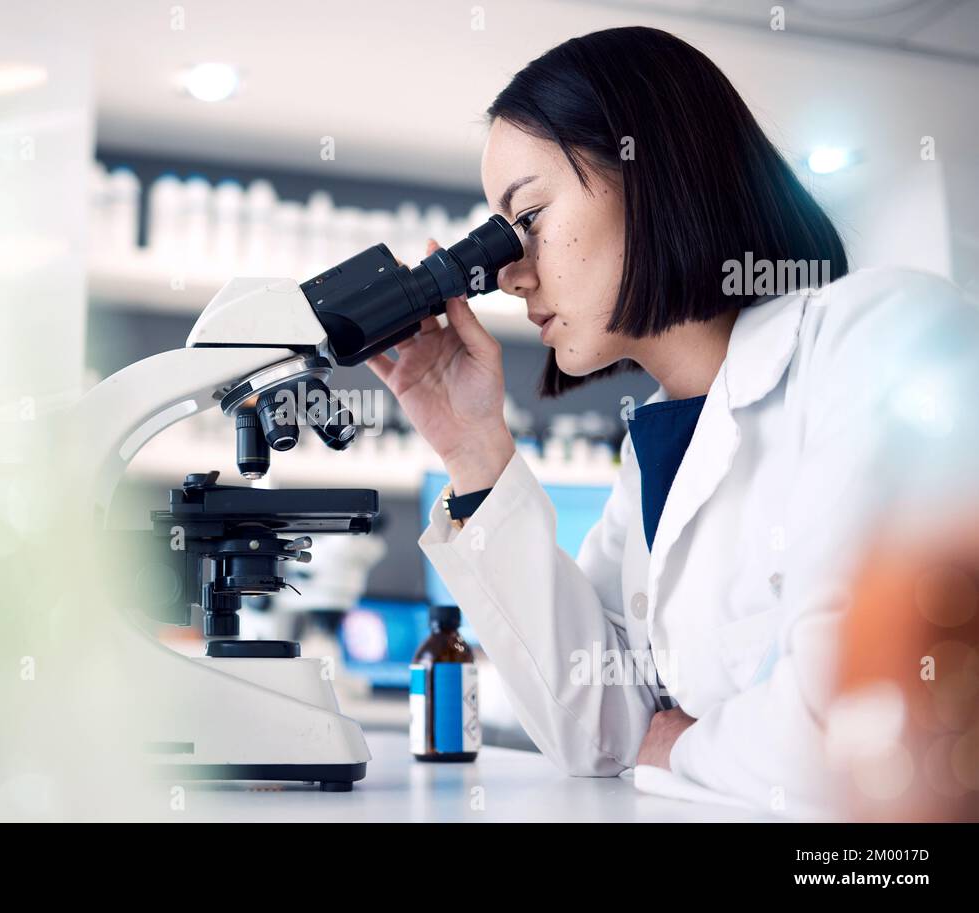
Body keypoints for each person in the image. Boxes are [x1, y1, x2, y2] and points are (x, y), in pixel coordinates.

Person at [367, 25, 977, 815]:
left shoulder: (876, 332)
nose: (511, 273)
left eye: (528, 218)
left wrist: (679, 743)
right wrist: (472, 445)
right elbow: (598, 729)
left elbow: (863, 715)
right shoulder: (655, 449)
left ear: (646, 170)